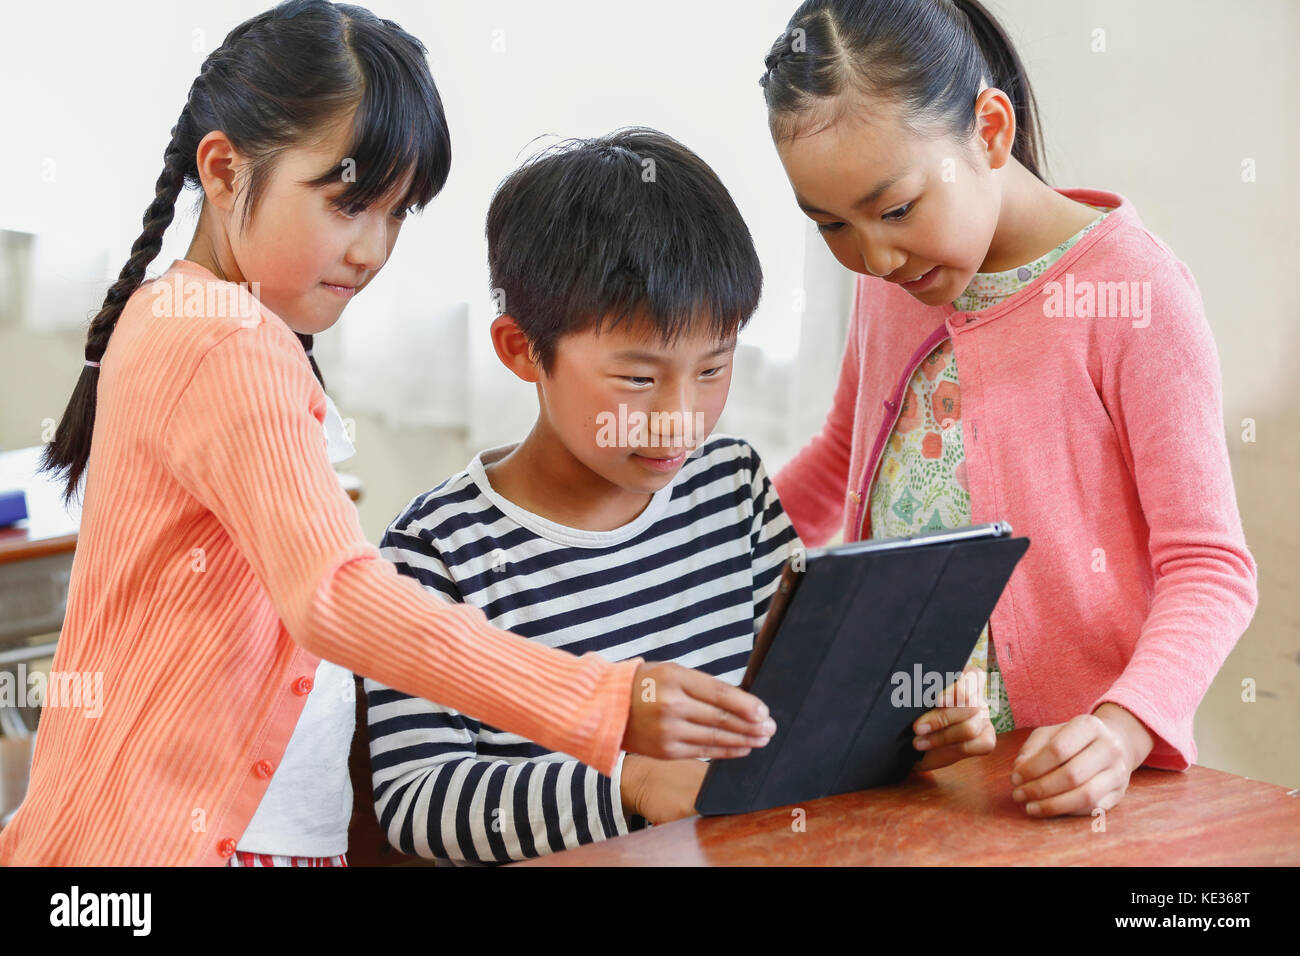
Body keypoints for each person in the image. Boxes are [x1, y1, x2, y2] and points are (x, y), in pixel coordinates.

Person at [0, 1, 773, 868]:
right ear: (222, 170)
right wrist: (605, 703)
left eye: (398, 213)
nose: (371, 249)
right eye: (348, 202)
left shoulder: (181, 318)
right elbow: (335, 595)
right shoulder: (223, 340)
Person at [761, 0, 1257, 816]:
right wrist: (699, 550)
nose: (874, 256)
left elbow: (1209, 566)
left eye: (894, 209)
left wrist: (1122, 729)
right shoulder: (897, 280)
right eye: (830, 225)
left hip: (1063, 783)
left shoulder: (1133, 295)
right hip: (901, 769)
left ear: (990, 130)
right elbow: (840, 460)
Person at [364, 128, 801, 864]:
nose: (681, 419)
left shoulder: (732, 489)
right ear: (521, 349)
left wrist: (906, 722)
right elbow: (416, 800)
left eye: (713, 368)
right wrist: (628, 784)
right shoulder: (438, 550)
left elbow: (796, 699)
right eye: (637, 379)